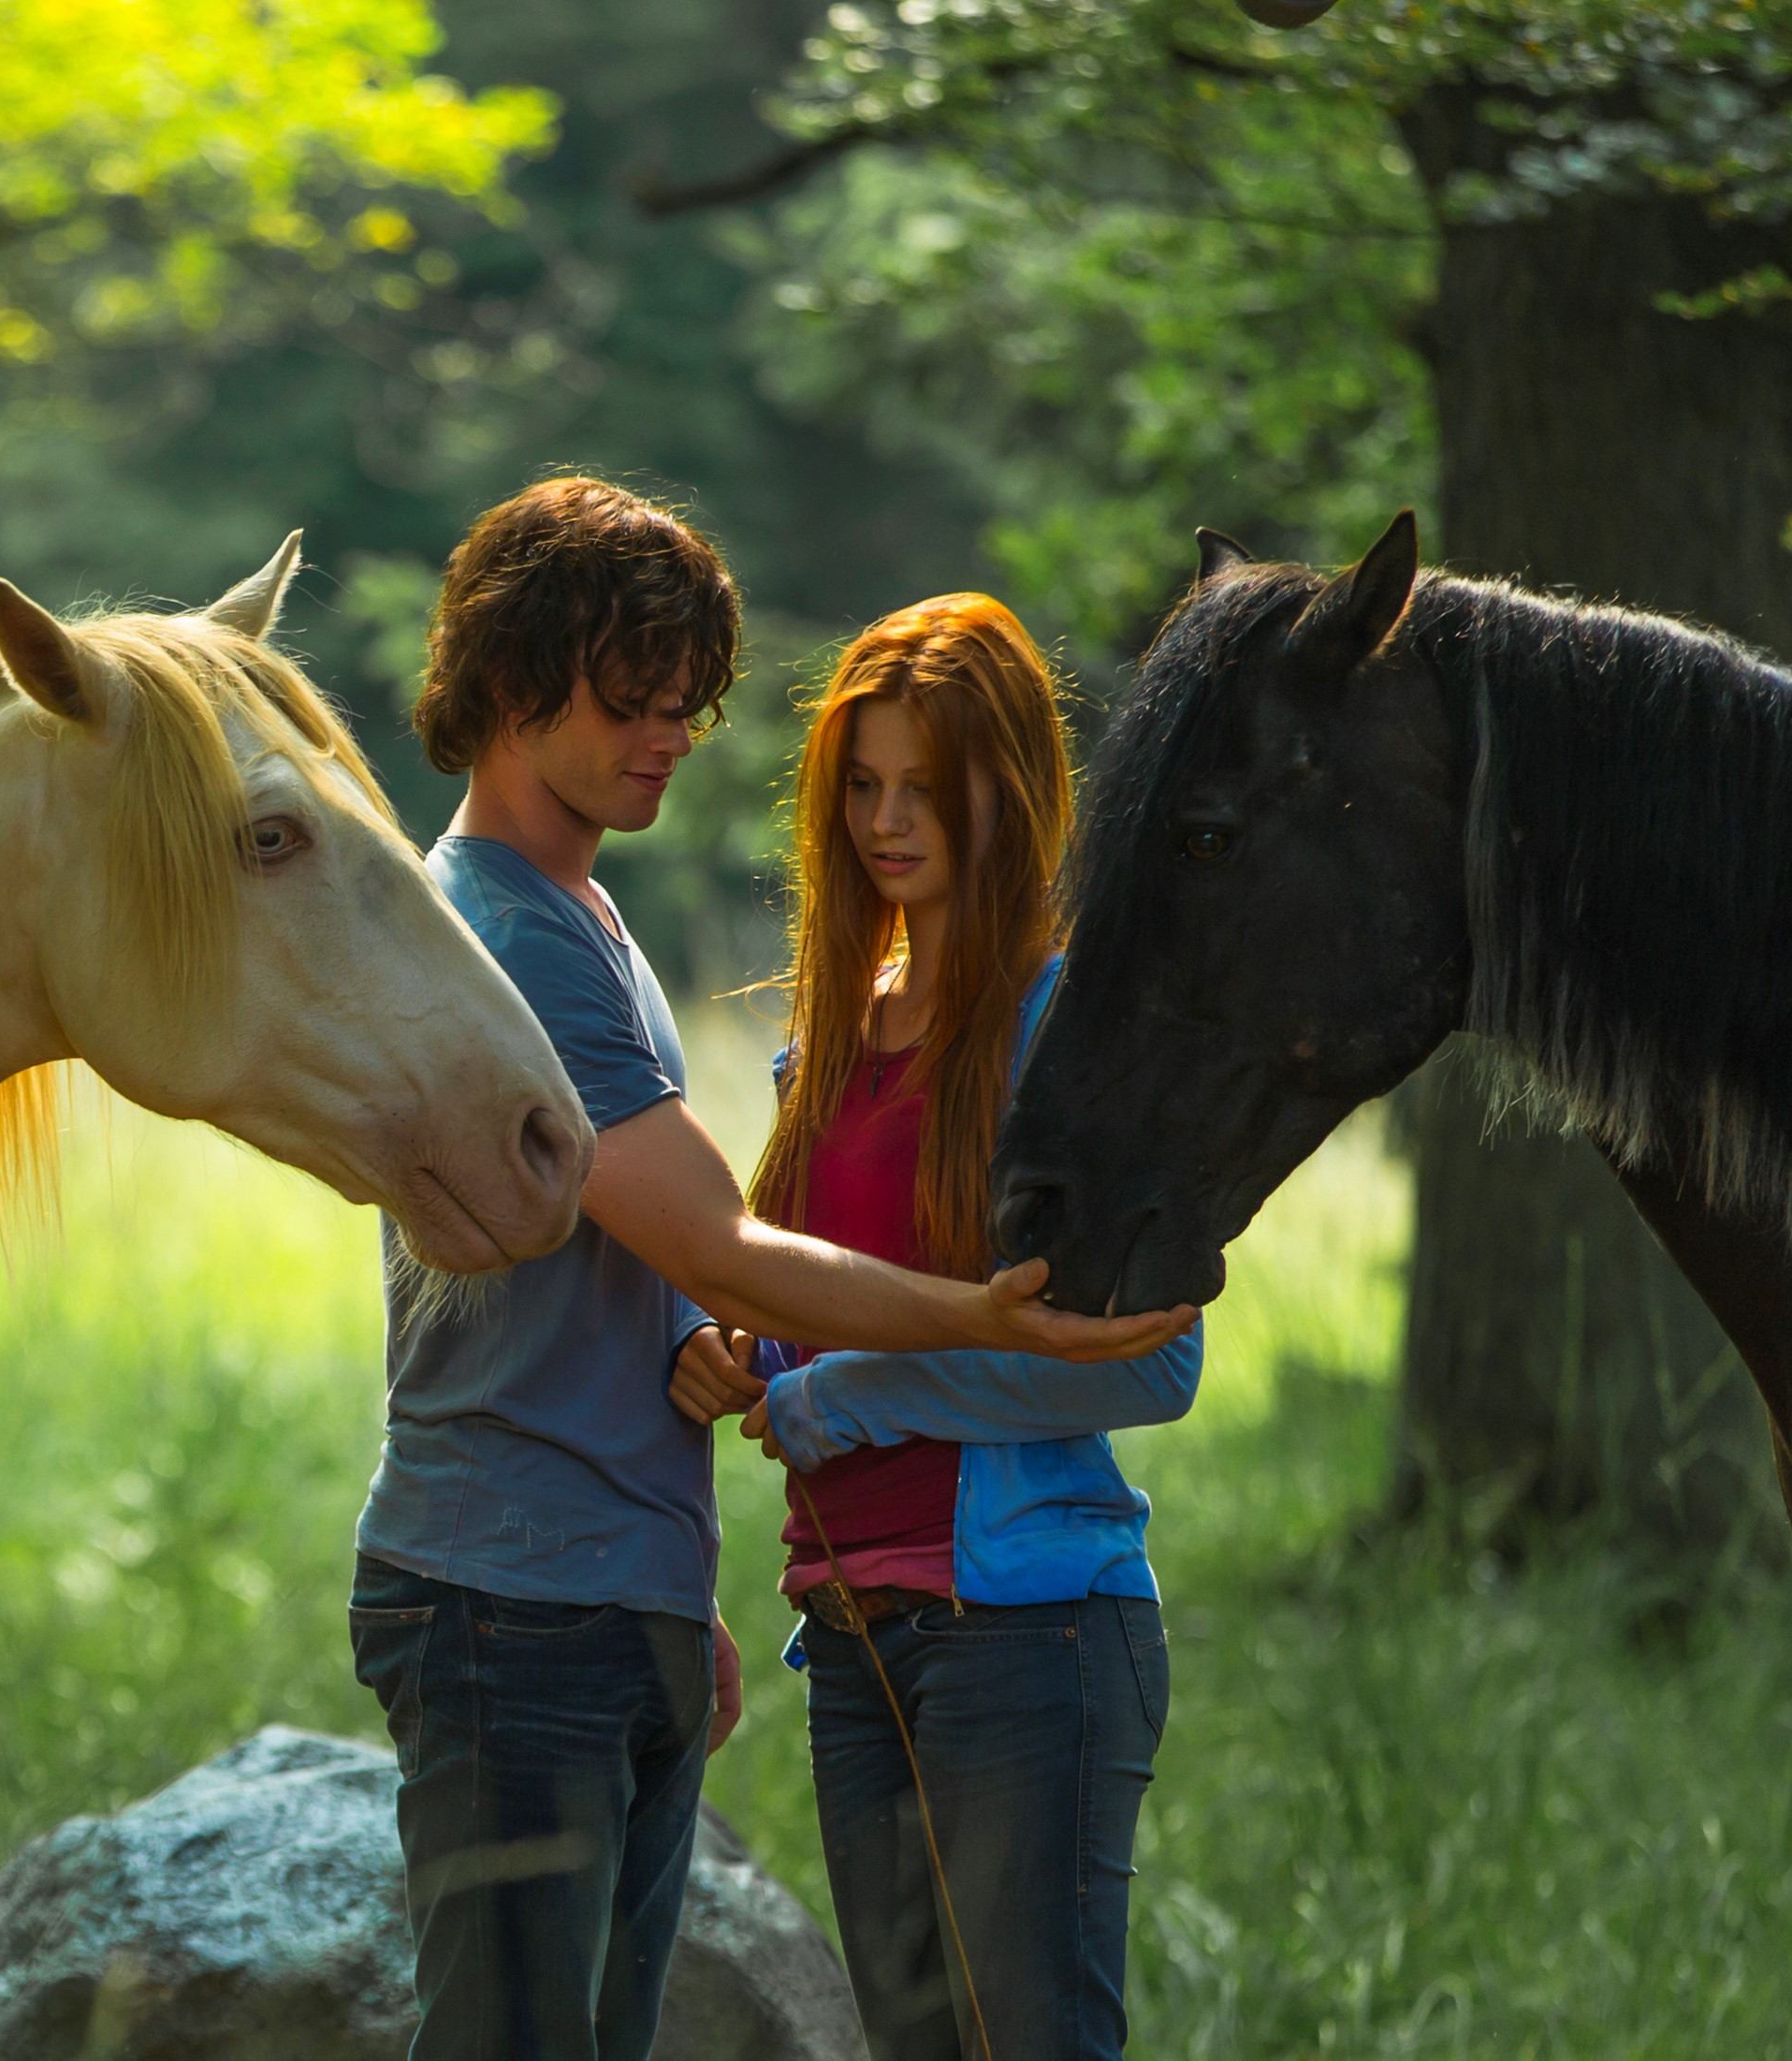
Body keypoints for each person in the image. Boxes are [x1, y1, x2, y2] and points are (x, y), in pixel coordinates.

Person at [349, 481, 1193, 2061]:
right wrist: (792, 1347)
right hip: (682, 1615)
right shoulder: (563, 954)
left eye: (688, 702)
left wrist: (763, 1417)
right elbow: (727, 1253)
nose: (671, 732)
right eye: (630, 699)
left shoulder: (606, 924)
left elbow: (1141, 1352)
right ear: (513, 680)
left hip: (958, 1618)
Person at [666, 593, 1202, 2061]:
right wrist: (741, 1354)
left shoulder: (1065, 1025)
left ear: (1007, 791)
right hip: (845, 1634)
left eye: (925, 788)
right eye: (861, 784)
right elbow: (826, 1306)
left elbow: (1155, 1354)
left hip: (1024, 1633)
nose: (885, 823)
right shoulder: (831, 1036)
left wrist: (856, 1399)